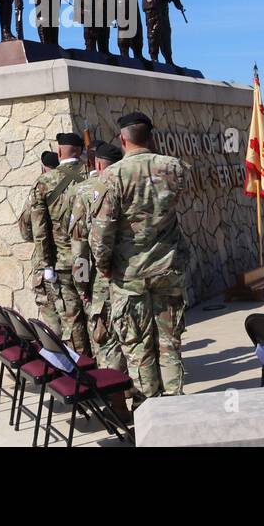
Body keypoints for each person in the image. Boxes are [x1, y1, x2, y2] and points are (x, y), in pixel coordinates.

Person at [89, 111, 189, 403]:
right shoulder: (174, 168)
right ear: (151, 136)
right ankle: (176, 404)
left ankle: (150, 410)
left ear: (122, 139)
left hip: (129, 274)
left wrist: (104, 267)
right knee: (170, 343)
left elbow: (102, 232)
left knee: (137, 346)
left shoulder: (111, 176)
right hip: (168, 269)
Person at [68, 141, 126, 370]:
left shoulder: (85, 191)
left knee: (107, 340)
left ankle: (118, 402)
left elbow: (80, 247)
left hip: (103, 279)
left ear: (99, 164)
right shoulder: (131, 184)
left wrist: (82, 285)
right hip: (135, 274)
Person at [27, 133, 89, 342]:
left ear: (60, 151)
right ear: (81, 151)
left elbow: (39, 229)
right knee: (96, 315)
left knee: (72, 319)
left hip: (63, 263)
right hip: (91, 260)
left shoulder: (44, 181)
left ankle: (81, 367)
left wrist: (46, 265)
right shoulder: (94, 175)